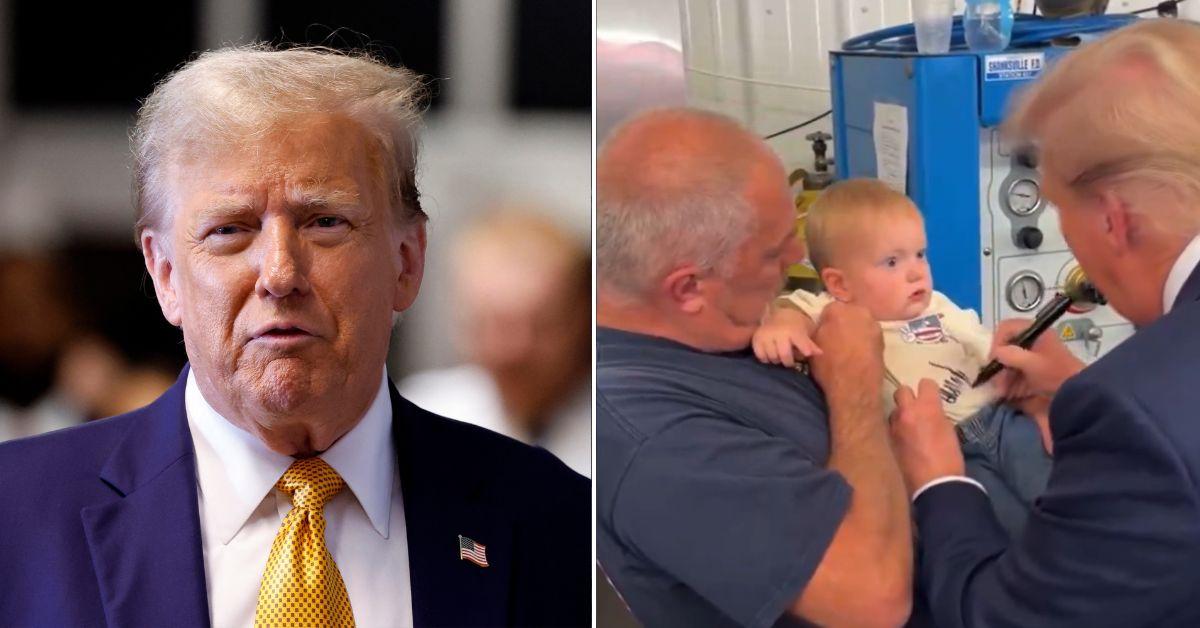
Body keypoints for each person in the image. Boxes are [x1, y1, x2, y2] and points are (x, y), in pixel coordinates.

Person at [0, 45, 589, 628]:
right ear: (165, 274)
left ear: (407, 261)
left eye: (325, 222)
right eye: (230, 229)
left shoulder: (563, 527)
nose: (280, 274)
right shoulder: (15, 515)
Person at [888, 19, 1200, 626]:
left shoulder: (1136, 409)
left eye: (1058, 209)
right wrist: (1082, 384)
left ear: (1114, 219)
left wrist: (938, 481)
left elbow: (1003, 618)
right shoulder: (1139, 400)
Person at [597, 108, 912, 627]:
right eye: (773, 254)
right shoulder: (649, 437)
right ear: (689, 288)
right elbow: (872, 599)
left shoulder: (712, 323)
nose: (797, 256)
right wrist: (855, 383)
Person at [753, 179, 1053, 537]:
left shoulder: (939, 305)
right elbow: (794, 306)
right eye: (892, 261)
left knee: (1062, 495)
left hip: (1001, 421)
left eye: (920, 254)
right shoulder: (836, 313)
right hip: (944, 450)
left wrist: (1032, 393)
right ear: (840, 284)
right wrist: (783, 327)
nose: (916, 271)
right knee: (1007, 531)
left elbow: (991, 351)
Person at [401, 209, 591, 477]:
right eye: (489, 325)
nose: (512, 351)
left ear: (580, 318)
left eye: (539, 327)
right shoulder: (421, 414)